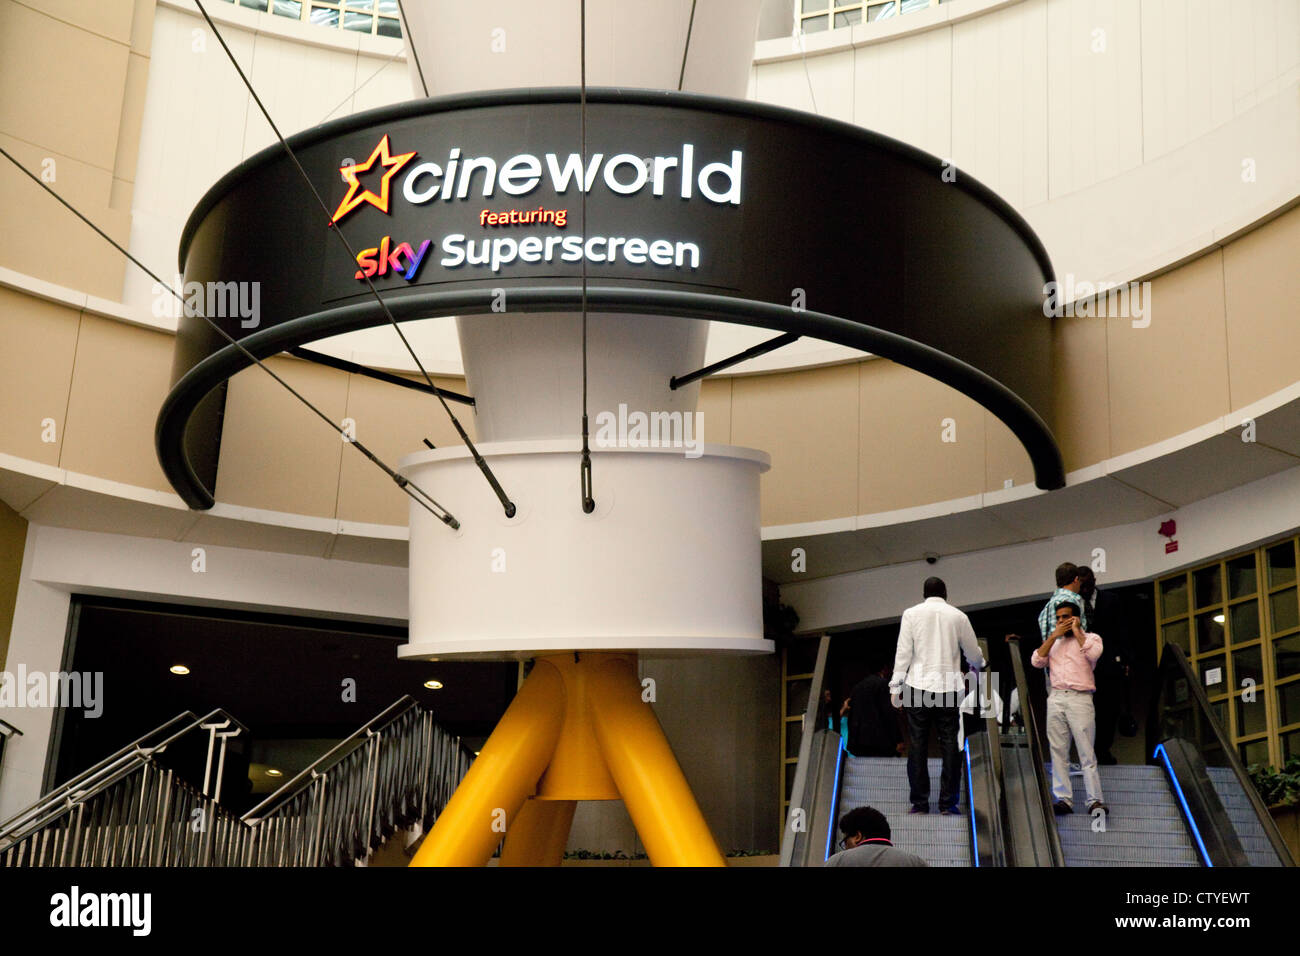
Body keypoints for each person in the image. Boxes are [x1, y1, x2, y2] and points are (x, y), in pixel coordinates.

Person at [889, 577, 985, 815]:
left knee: (918, 744)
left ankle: (920, 803)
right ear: (945, 593)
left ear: (924, 593)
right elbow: (972, 652)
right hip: (948, 687)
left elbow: (904, 653)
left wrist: (895, 686)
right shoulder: (958, 616)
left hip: (918, 685)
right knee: (951, 744)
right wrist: (980, 662)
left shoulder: (910, 614)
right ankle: (948, 804)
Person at [1032, 600, 1107, 815]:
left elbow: (1093, 655)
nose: (1061, 621)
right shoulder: (1054, 642)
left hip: (1080, 697)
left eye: (1066, 617)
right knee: (1058, 751)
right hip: (1056, 697)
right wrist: (1054, 635)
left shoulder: (1091, 638)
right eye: (1058, 618)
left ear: (1076, 617)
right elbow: (1036, 661)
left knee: (1086, 751)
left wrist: (1076, 630)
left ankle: (1094, 800)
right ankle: (1063, 799)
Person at [1076, 566, 1131, 764]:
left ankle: (1103, 750)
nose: (1085, 590)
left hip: (1108, 663)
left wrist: (1125, 659)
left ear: (1094, 581)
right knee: (1086, 710)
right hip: (1083, 666)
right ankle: (1088, 752)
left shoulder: (1111, 600)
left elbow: (1122, 630)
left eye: (1088, 585)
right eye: (1081, 586)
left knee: (1109, 709)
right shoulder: (1073, 604)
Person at [823, 806, 928, 867]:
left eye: (845, 842)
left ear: (857, 837)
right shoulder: (915, 862)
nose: (846, 848)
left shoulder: (837, 862)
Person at [846, 663, 904, 757]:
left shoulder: (857, 687)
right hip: (881, 741)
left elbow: (853, 715)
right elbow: (888, 713)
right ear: (884, 669)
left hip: (860, 742)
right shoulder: (883, 684)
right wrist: (898, 739)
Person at [1037, 562, 1089, 643]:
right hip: (1070, 653)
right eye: (1080, 581)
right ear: (1076, 579)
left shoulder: (1048, 606)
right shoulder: (1069, 601)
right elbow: (1069, 638)